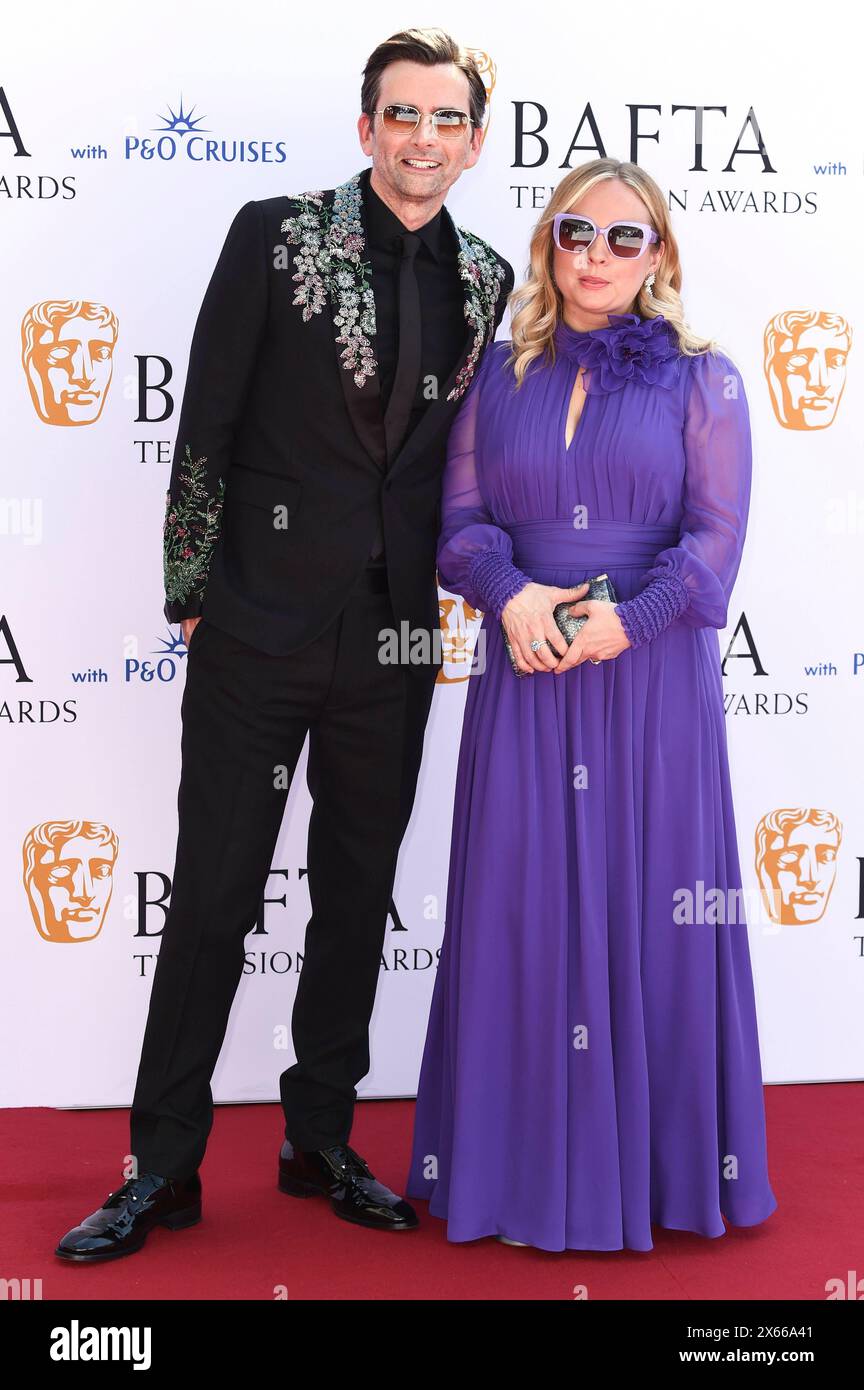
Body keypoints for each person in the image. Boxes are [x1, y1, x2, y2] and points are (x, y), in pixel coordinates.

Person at [55, 27, 514, 1263]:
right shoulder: (276, 231)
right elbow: (204, 412)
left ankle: (319, 1138)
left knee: (357, 894)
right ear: (367, 127)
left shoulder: (485, 276)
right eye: (402, 113)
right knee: (213, 891)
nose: (424, 135)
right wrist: (194, 589)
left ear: (474, 140)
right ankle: (163, 1167)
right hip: (257, 621)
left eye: (447, 118)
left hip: (398, 633)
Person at [406, 157, 778, 1252]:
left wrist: (631, 615)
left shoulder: (704, 380)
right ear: (547, 245)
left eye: (626, 237)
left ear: (659, 254)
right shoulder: (500, 374)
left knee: (653, 901)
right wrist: (508, 592)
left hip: (649, 679)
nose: (598, 255)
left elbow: (716, 544)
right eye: (577, 232)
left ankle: (665, 1174)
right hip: (527, 673)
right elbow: (461, 522)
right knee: (522, 908)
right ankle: (516, 1169)